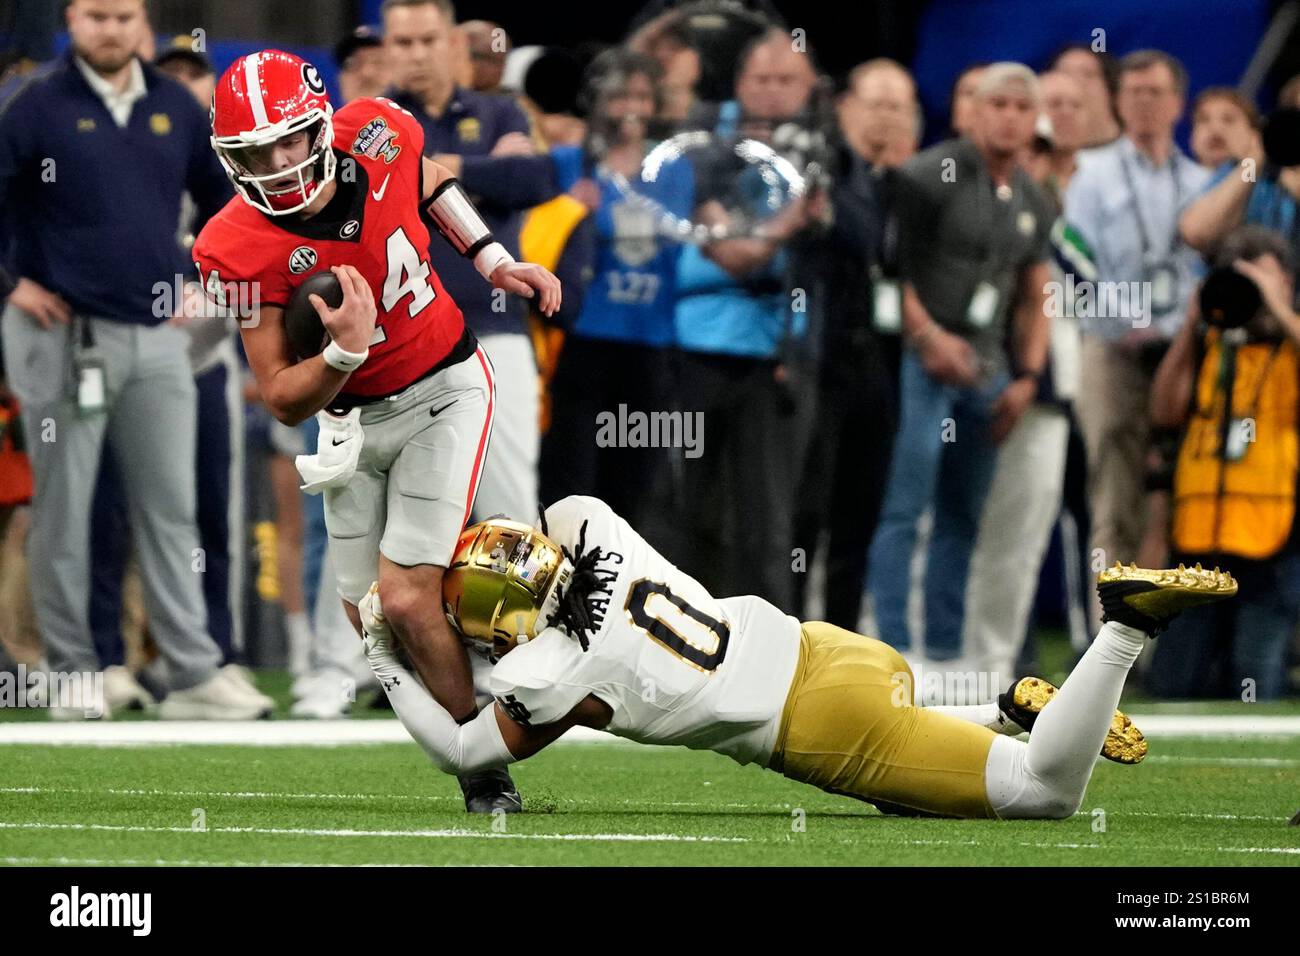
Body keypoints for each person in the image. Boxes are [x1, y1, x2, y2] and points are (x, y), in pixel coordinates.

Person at [360, 495, 1234, 819]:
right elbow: (545, 525)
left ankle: (1123, 627)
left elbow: (460, 750)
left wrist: (385, 658)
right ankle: (1005, 712)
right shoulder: (588, 521)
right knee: (919, 795)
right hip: (829, 648)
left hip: (814, 724)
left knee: (1047, 793)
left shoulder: (547, 674)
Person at [191, 49, 560, 809]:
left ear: (321, 124)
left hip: (444, 385)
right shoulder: (229, 246)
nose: (278, 161)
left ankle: (482, 766)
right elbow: (283, 397)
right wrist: (341, 352)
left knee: (407, 596)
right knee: (371, 619)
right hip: (349, 419)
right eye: (256, 152)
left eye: (290, 140)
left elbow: (424, 181)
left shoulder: (380, 131)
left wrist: (491, 260)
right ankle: (490, 664)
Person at [0, 0, 260, 719]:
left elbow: (224, 203)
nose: (109, 30)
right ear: (70, 22)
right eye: (94, 16)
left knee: (173, 509)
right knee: (66, 505)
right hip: (61, 331)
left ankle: (192, 670)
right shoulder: (34, 103)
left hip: (158, 337)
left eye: (121, 16)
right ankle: (74, 667)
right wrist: (11, 281)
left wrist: (208, 280)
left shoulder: (175, 104)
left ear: (140, 22)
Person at [868, 63, 1052, 668]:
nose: (1008, 117)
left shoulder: (1034, 197)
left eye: (1021, 108)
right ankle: (893, 644)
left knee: (963, 515)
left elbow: (1033, 294)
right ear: (972, 110)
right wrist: (928, 339)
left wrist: (1028, 377)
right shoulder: (927, 175)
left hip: (988, 367)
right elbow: (892, 271)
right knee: (904, 505)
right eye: (996, 104)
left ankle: (946, 650)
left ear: (1034, 120)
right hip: (924, 362)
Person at [382, 0, 559, 526]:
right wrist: (483, 172)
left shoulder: (499, 111)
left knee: (511, 512)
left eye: (429, 40)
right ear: (388, 48)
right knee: (407, 517)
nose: (416, 54)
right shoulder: (374, 122)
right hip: (402, 338)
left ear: (454, 43)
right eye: (403, 43)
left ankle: (525, 612)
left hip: (494, 327)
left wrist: (446, 169)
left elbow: (534, 180)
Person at [1065, 50, 1210, 626]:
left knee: (1176, 491)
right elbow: (1074, 261)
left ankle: (1167, 642)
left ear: (1177, 102)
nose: (1144, 104)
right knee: (1113, 492)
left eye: (1155, 92)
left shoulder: (1201, 180)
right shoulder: (1093, 173)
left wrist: (1179, 333)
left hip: (1183, 351)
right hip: (1114, 350)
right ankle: (1105, 637)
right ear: (1118, 101)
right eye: (1133, 93)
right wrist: (1126, 321)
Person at [1149, 225, 1300, 700]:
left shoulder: (1290, 349)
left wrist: (1277, 306)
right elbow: (1164, 412)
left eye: (1264, 282)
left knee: (1254, 686)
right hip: (1199, 545)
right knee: (1173, 687)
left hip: (1270, 542)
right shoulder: (1210, 346)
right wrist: (1193, 326)